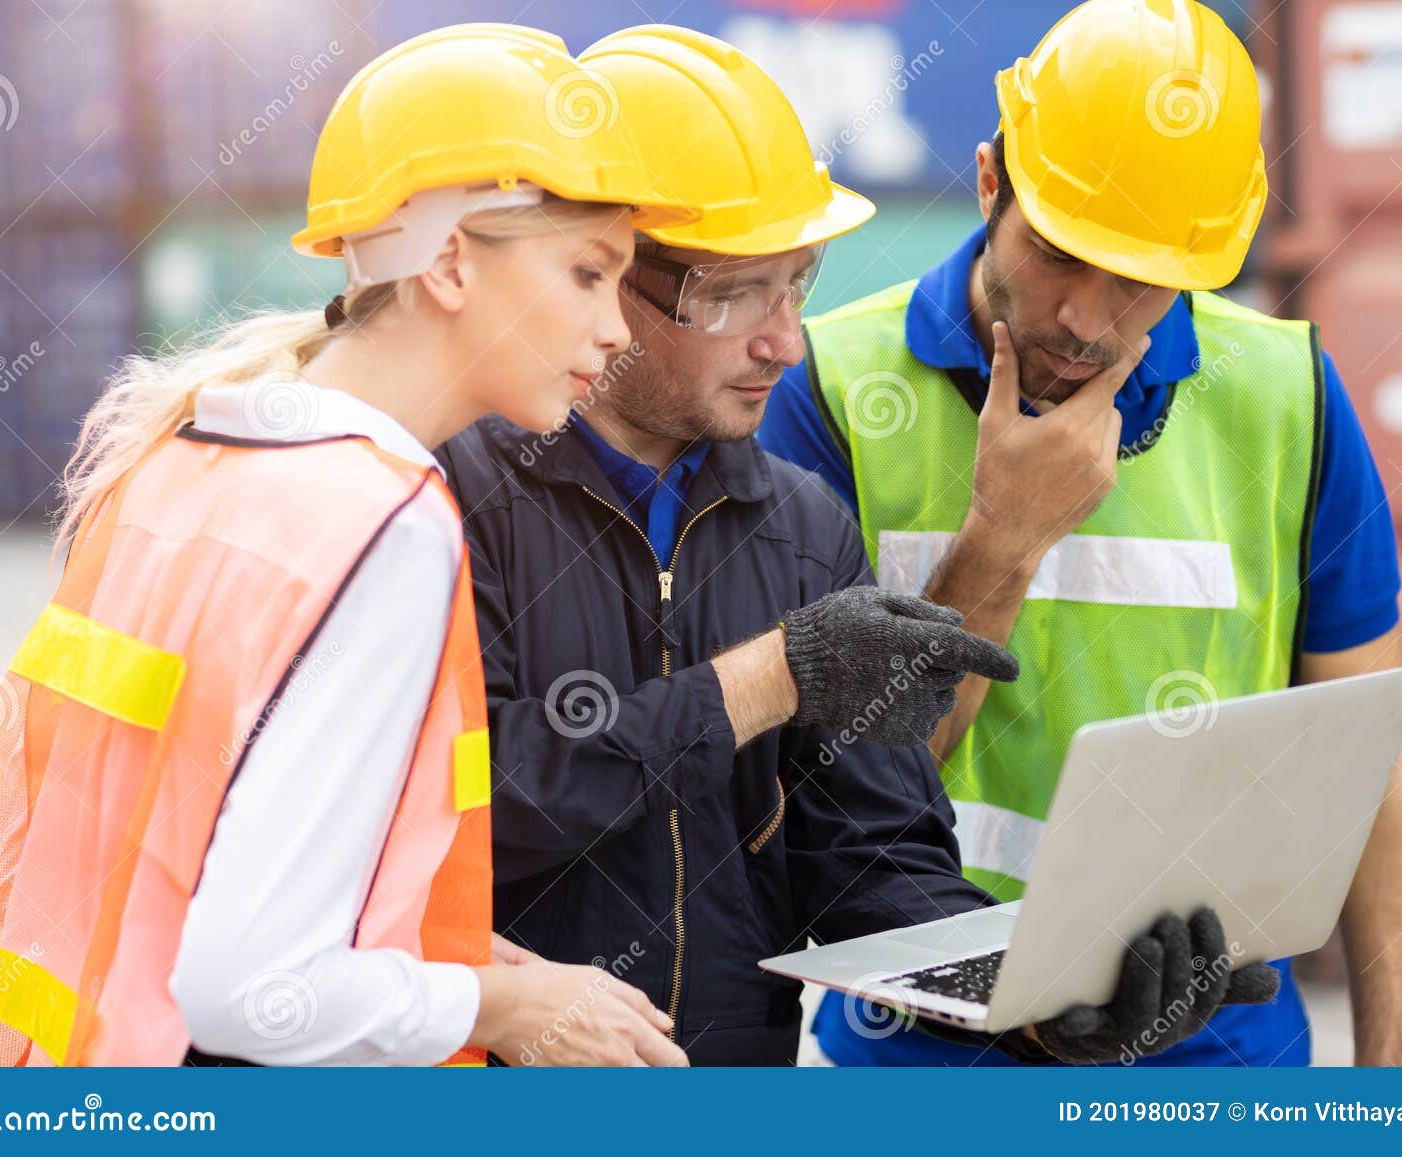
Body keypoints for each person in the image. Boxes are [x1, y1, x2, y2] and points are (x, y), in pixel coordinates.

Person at [440, 23, 1276, 1067]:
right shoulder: (441, 501)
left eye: (798, 284)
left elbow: (871, 857)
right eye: (736, 291)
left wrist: (1044, 995)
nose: (784, 341)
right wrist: (763, 677)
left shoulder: (797, 525)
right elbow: (469, 805)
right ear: (599, 271)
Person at [0, 25, 694, 1068]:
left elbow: (175, 849)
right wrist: (501, 1009)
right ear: (452, 262)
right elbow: (250, 990)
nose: (618, 328)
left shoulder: (183, 450)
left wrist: (444, 956)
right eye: (589, 273)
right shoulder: (383, 520)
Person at [758, 0, 1402, 1067]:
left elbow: (1379, 753)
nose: (1086, 315)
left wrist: (1387, 1083)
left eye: (1139, 279)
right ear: (989, 182)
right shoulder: (827, 390)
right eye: (1059, 253)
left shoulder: (1287, 396)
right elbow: (833, 783)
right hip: (922, 1057)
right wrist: (1002, 539)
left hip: (1222, 1059)